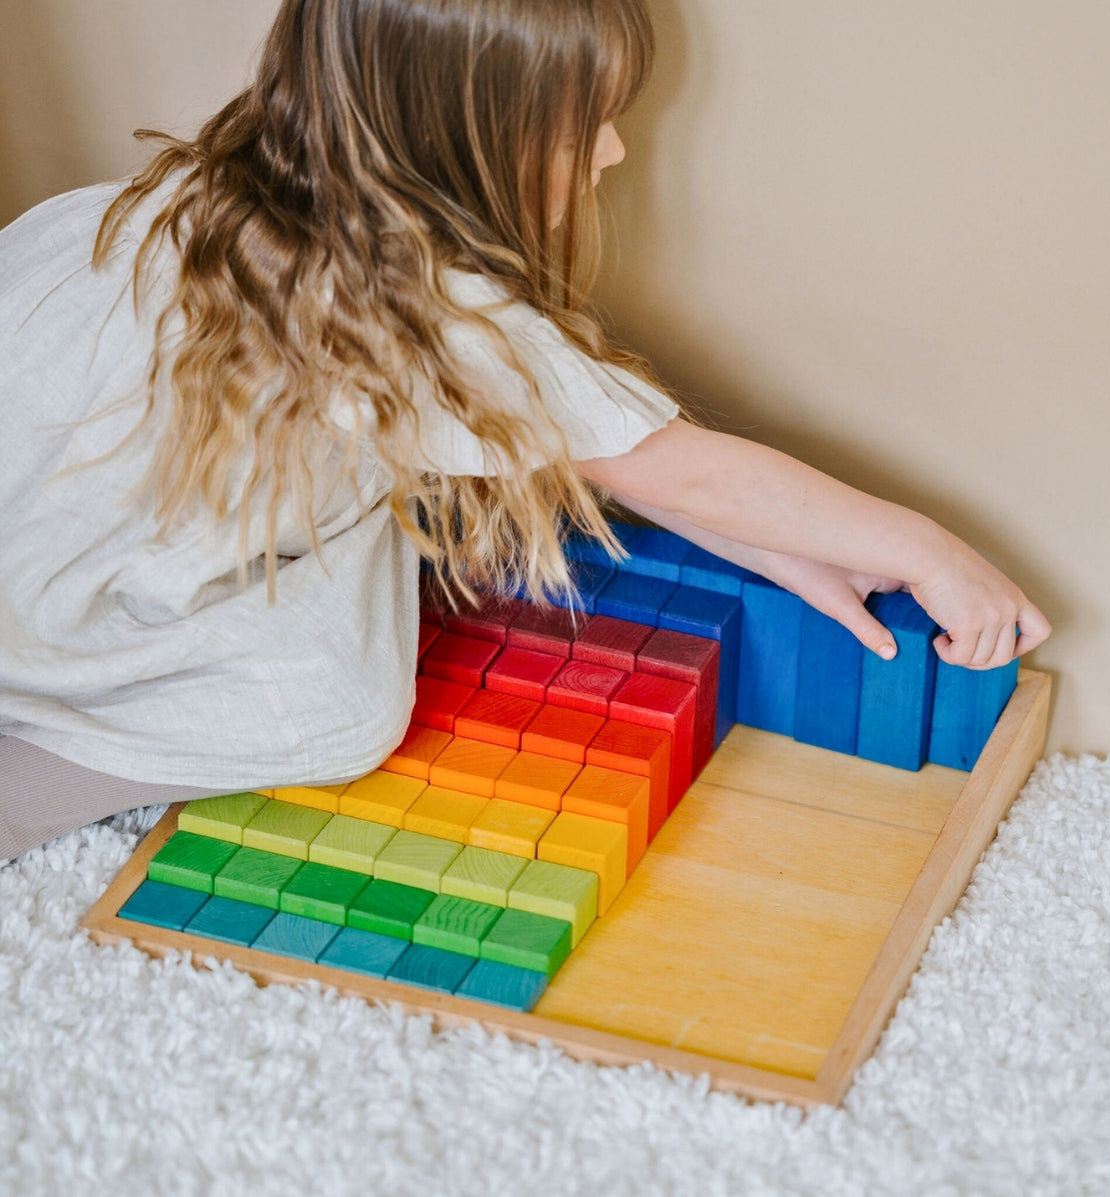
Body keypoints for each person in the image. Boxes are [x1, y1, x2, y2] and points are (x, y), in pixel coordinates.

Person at [0, 0, 1050, 860]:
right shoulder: (413, 315)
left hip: (42, 522)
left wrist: (782, 547)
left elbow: (617, 455)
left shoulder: (208, 194)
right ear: (455, 134)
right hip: (59, 628)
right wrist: (929, 550)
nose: (615, 151)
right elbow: (679, 472)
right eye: (581, 125)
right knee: (339, 705)